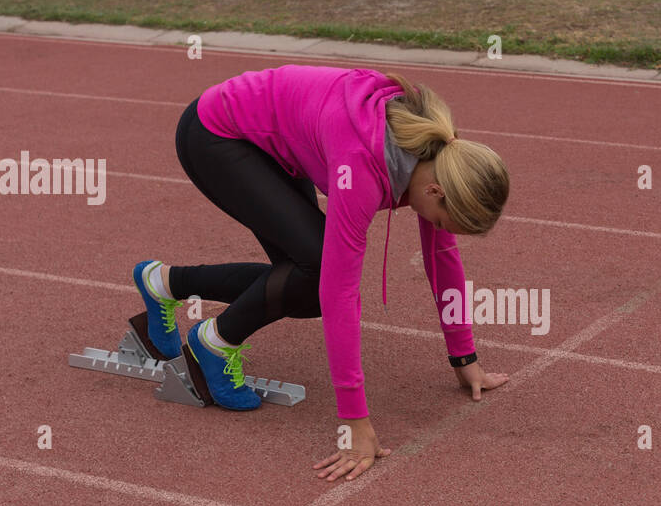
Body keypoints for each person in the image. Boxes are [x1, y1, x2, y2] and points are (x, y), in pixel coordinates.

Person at [133, 64, 510, 482]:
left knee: (308, 283)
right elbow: (342, 291)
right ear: (435, 191)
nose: (437, 230)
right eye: (441, 220)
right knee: (318, 276)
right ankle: (215, 341)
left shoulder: (439, 157)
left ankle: (163, 283)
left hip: (276, 146)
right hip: (216, 135)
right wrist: (355, 420)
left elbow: (442, 257)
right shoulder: (362, 167)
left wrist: (464, 356)